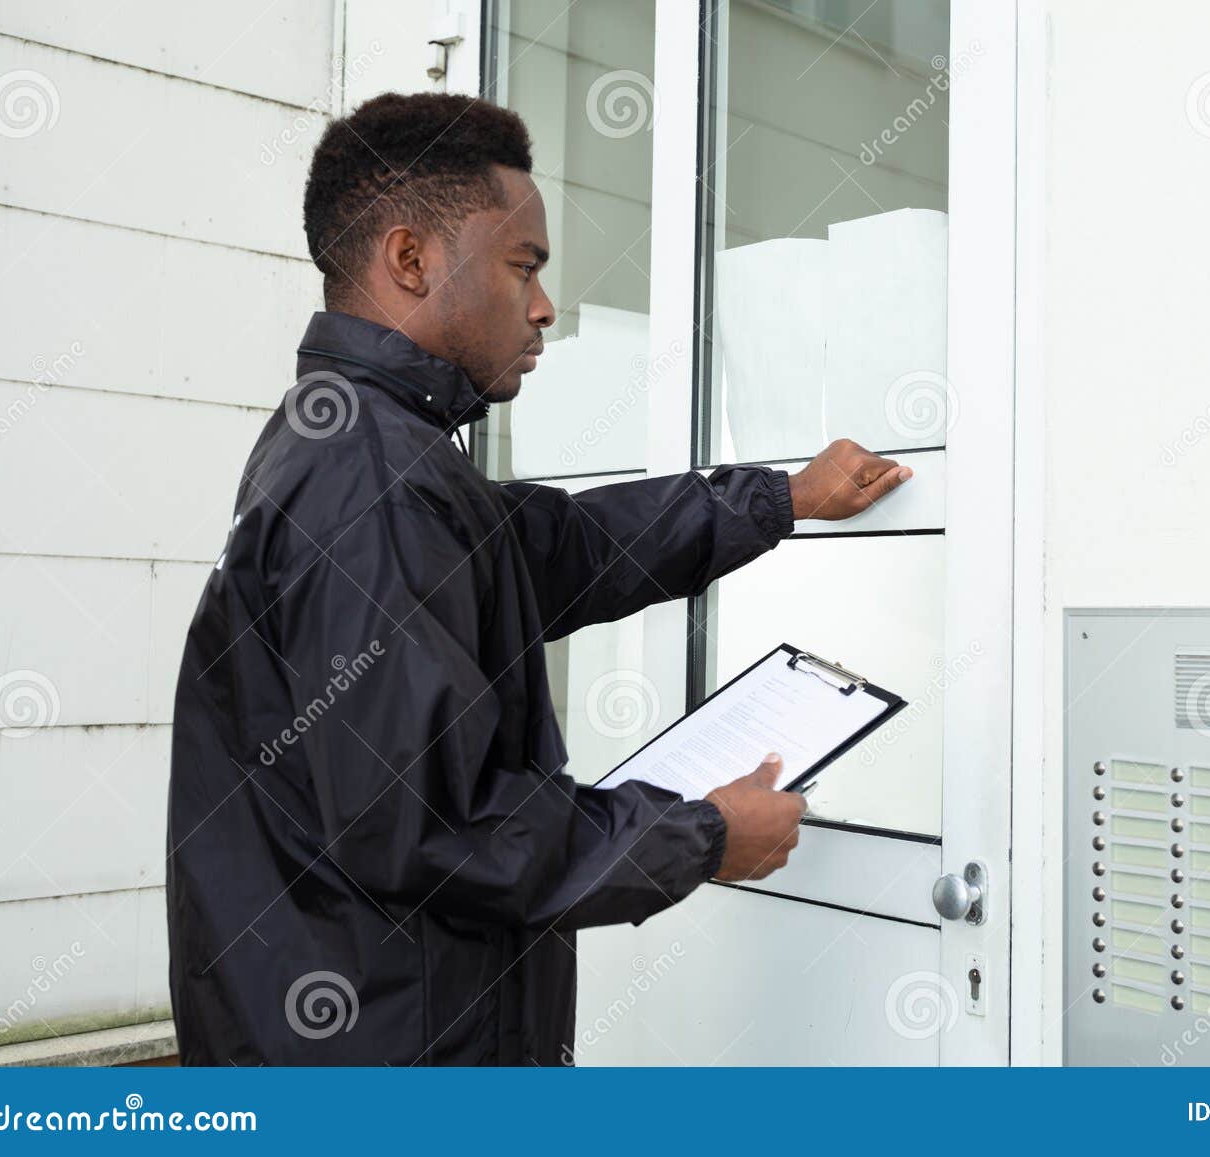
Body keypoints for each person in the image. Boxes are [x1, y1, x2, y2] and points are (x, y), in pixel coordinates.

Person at [165, 92, 913, 1065]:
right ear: (409, 259)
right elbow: (439, 828)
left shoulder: (357, 443)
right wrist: (704, 834)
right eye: (522, 266)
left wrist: (782, 496)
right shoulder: (373, 478)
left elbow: (560, 546)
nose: (545, 305)